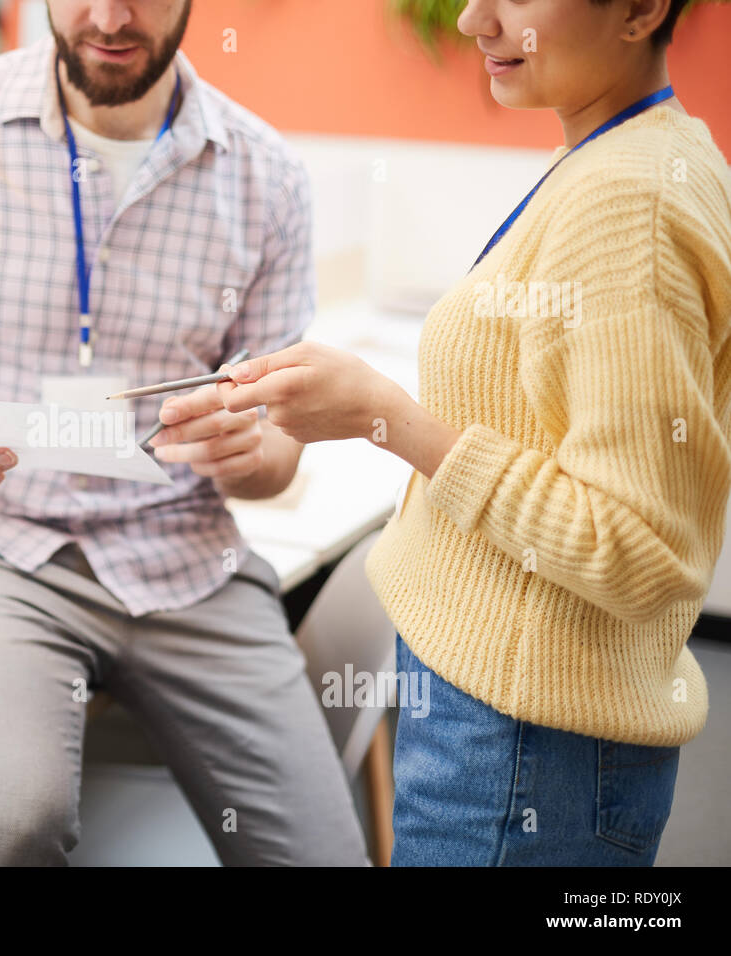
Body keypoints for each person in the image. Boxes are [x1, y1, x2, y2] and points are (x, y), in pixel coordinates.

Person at [0, 0, 368, 865]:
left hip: (186, 553)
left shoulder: (266, 176)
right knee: (12, 824)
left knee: (323, 859)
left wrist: (249, 456)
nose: (111, 16)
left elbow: (276, 459)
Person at [217, 0, 731, 865]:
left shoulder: (626, 205)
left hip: (520, 745)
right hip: (514, 723)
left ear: (642, 10)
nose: (471, 20)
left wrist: (386, 418)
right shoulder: (631, 156)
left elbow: (638, 548)